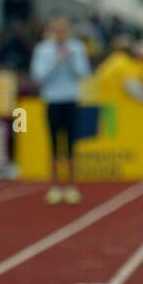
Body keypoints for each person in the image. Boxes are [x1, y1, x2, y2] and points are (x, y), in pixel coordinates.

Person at [30, 17, 91, 204]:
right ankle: (55, 186)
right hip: (52, 100)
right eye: (57, 29)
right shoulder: (43, 49)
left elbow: (84, 73)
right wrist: (56, 60)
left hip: (71, 99)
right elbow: (37, 76)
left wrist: (70, 59)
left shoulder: (77, 47)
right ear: (51, 30)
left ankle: (72, 186)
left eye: (63, 29)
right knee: (54, 144)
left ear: (68, 30)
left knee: (72, 145)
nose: (60, 33)